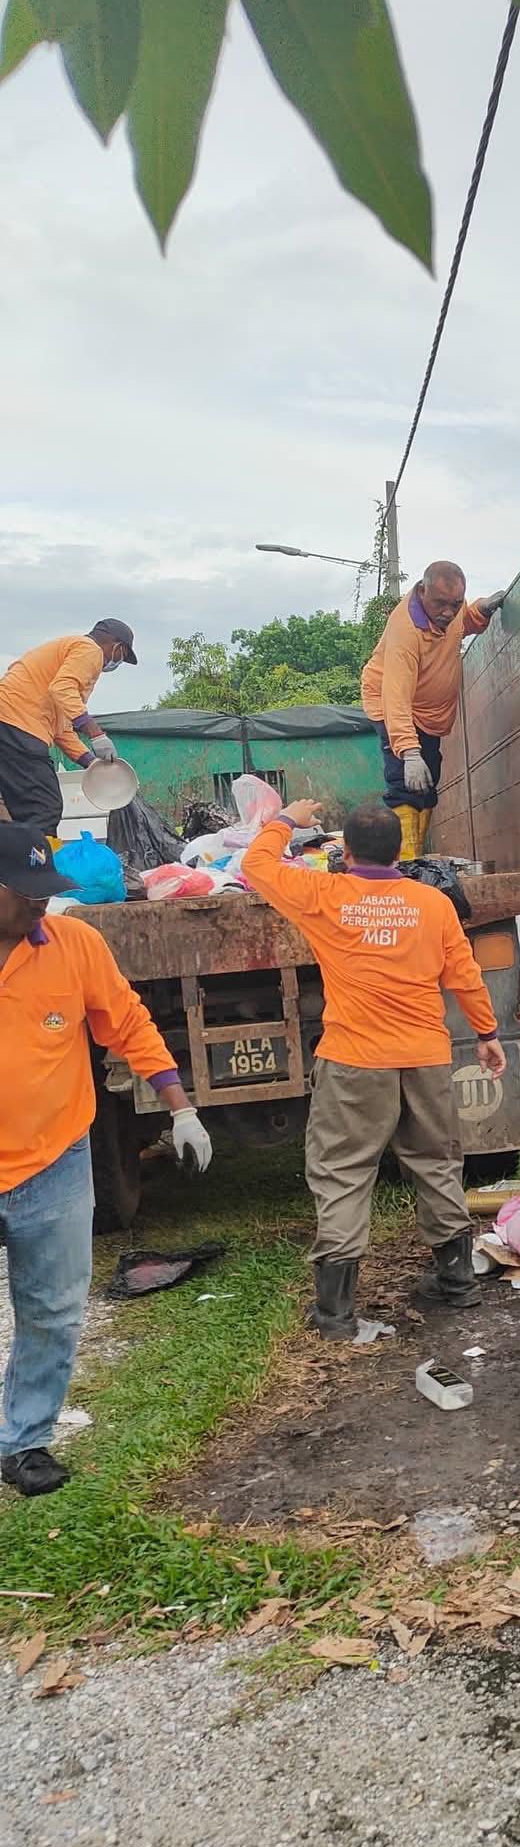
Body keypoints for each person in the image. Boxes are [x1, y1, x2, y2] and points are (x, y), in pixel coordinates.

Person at [0, 823, 212, 1496]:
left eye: (46, 890)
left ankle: (24, 1441)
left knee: (54, 1311)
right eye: (25, 892)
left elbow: (128, 1023)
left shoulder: (74, 945)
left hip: (53, 1162)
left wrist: (180, 1107)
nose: (41, 904)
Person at [243, 799, 506, 1340]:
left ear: (346, 853)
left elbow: (256, 867)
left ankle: (336, 1313)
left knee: (343, 1171)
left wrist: (287, 819)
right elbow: (465, 975)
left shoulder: (324, 894)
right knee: (436, 1161)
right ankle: (457, 1282)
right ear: (401, 851)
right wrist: (487, 1034)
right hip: (427, 1056)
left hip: (355, 1059)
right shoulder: (432, 904)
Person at [359, 562, 503, 860]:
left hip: (428, 714)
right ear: (422, 591)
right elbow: (395, 696)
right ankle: (407, 863)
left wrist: (481, 610)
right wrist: (409, 752)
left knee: (427, 783)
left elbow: (464, 622)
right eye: (441, 604)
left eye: (456, 604)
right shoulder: (406, 632)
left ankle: (416, 853)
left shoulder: (447, 614)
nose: (448, 612)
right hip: (393, 707)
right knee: (404, 782)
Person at [0, 620, 137, 837]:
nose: (117, 662)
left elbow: (62, 730)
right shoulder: (90, 650)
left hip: (10, 725)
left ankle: (17, 864)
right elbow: (63, 688)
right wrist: (96, 733)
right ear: (115, 646)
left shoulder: (68, 656)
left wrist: (92, 762)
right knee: (43, 808)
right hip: (17, 724)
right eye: (122, 656)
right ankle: (36, 866)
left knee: (21, 810)